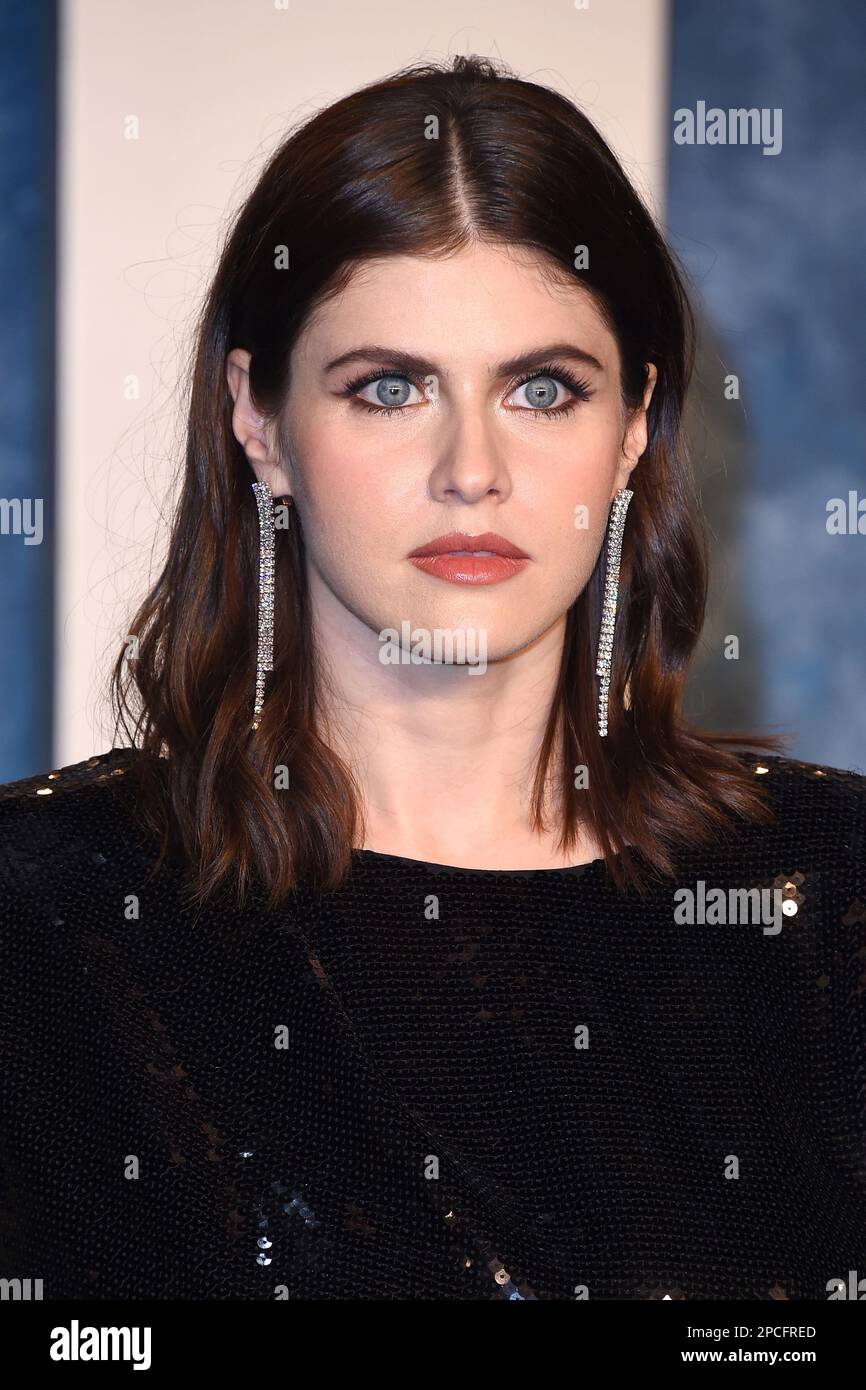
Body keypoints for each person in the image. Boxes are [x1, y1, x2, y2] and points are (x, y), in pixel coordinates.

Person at [1, 54, 863, 1302]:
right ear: (259, 420)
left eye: (542, 388)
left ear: (631, 428)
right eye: (391, 388)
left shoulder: (829, 893)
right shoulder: (48, 920)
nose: (473, 465)